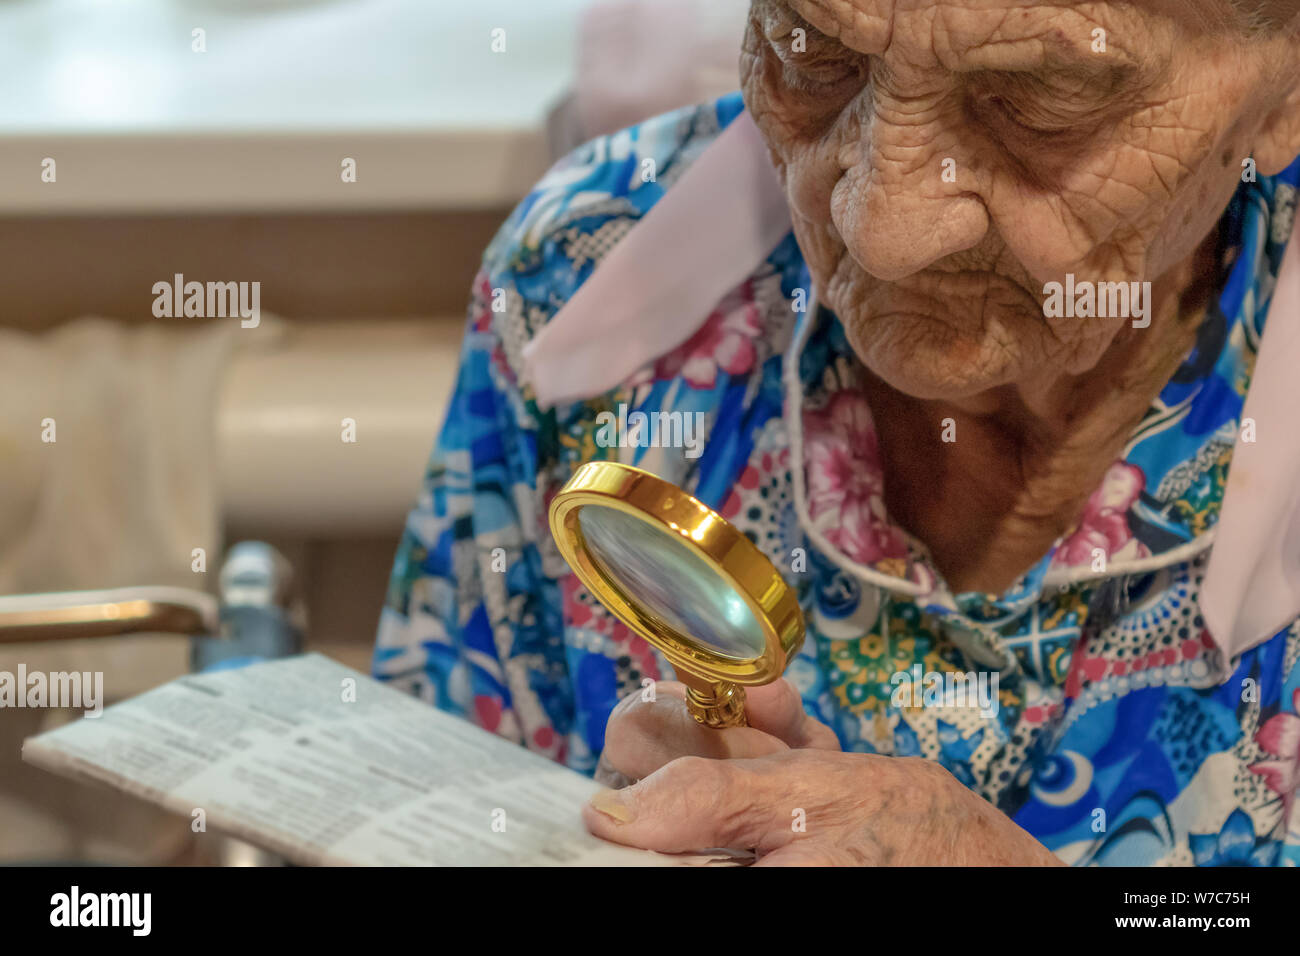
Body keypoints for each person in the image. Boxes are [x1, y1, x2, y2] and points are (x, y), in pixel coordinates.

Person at [374, 0, 1300, 865]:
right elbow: (422, 817)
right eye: (811, 54)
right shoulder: (583, 268)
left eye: (1038, 103)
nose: (878, 227)